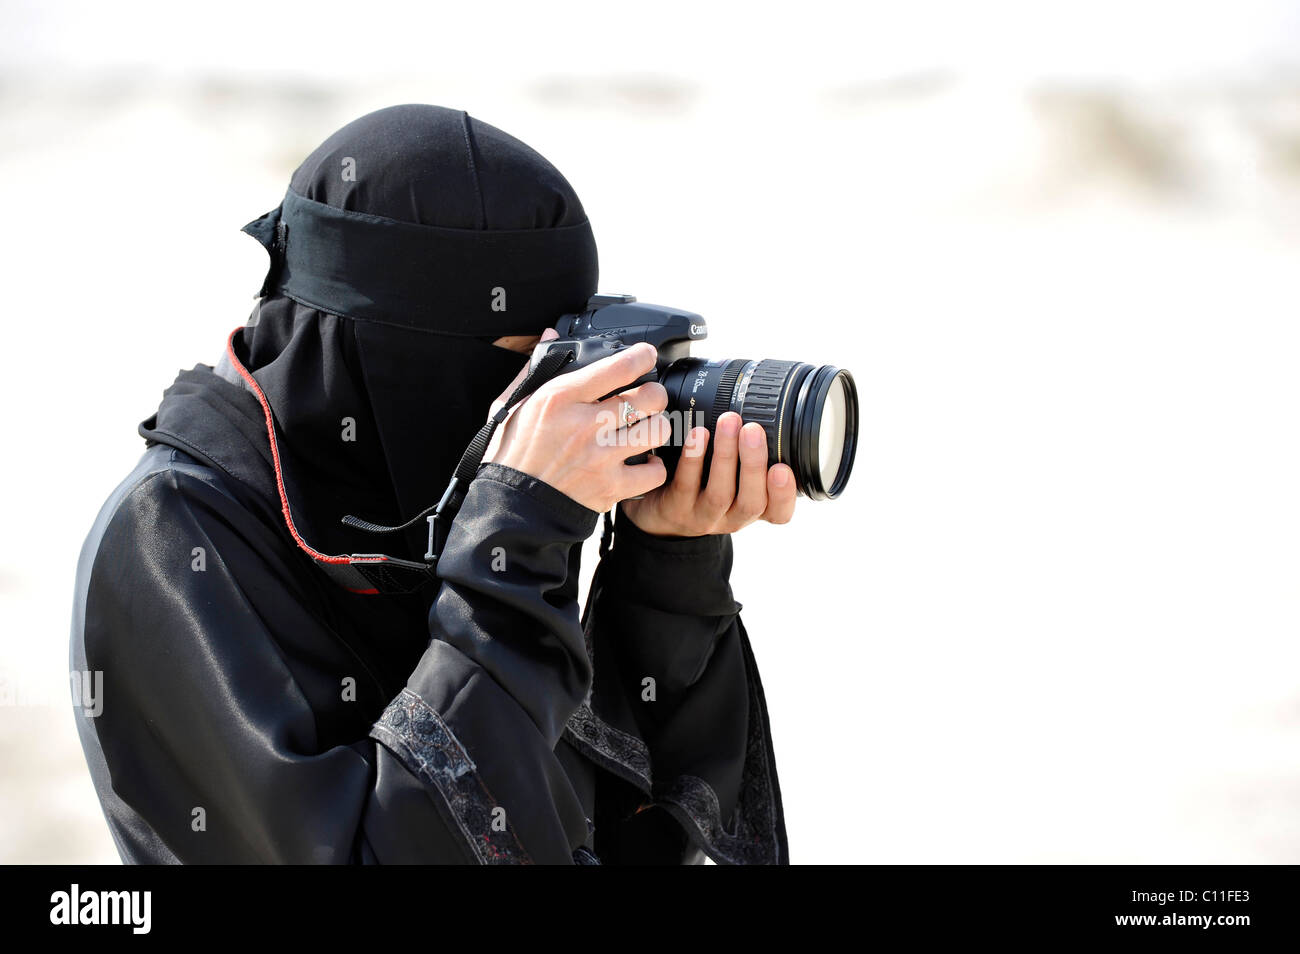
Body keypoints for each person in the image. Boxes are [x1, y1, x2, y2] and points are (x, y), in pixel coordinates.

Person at [70, 104, 795, 864]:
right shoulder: (174, 534)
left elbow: (609, 835)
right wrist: (510, 544)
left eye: (556, 374)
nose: (521, 412)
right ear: (384, 350)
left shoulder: (437, 500)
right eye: (516, 371)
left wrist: (664, 575)